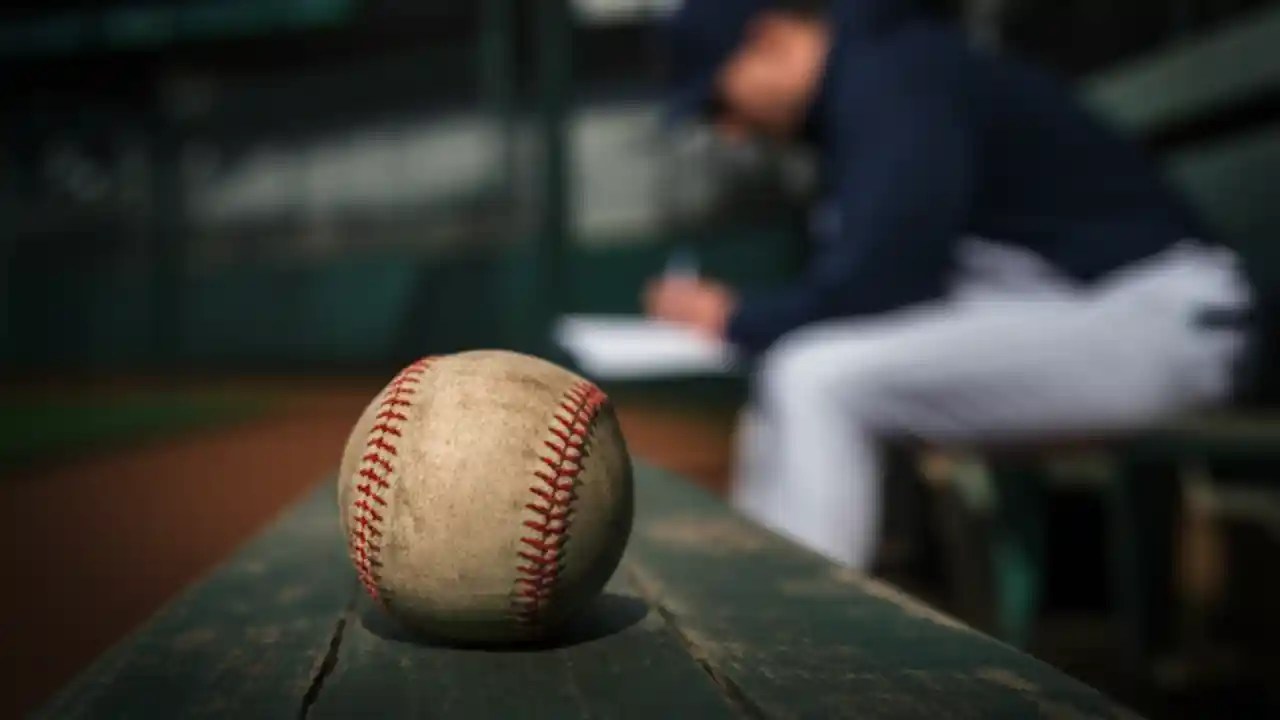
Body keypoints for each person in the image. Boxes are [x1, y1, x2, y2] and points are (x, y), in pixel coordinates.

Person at [644, 0, 1254, 570]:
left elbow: (881, 283)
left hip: (1163, 320)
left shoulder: (890, 74)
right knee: (798, 369)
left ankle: (796, 643)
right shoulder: (869, 79)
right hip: (1096, 315)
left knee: (816, 377)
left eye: (718, 102)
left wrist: (734, 317)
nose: (728, 130)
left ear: (769, 40)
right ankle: (761, 599)